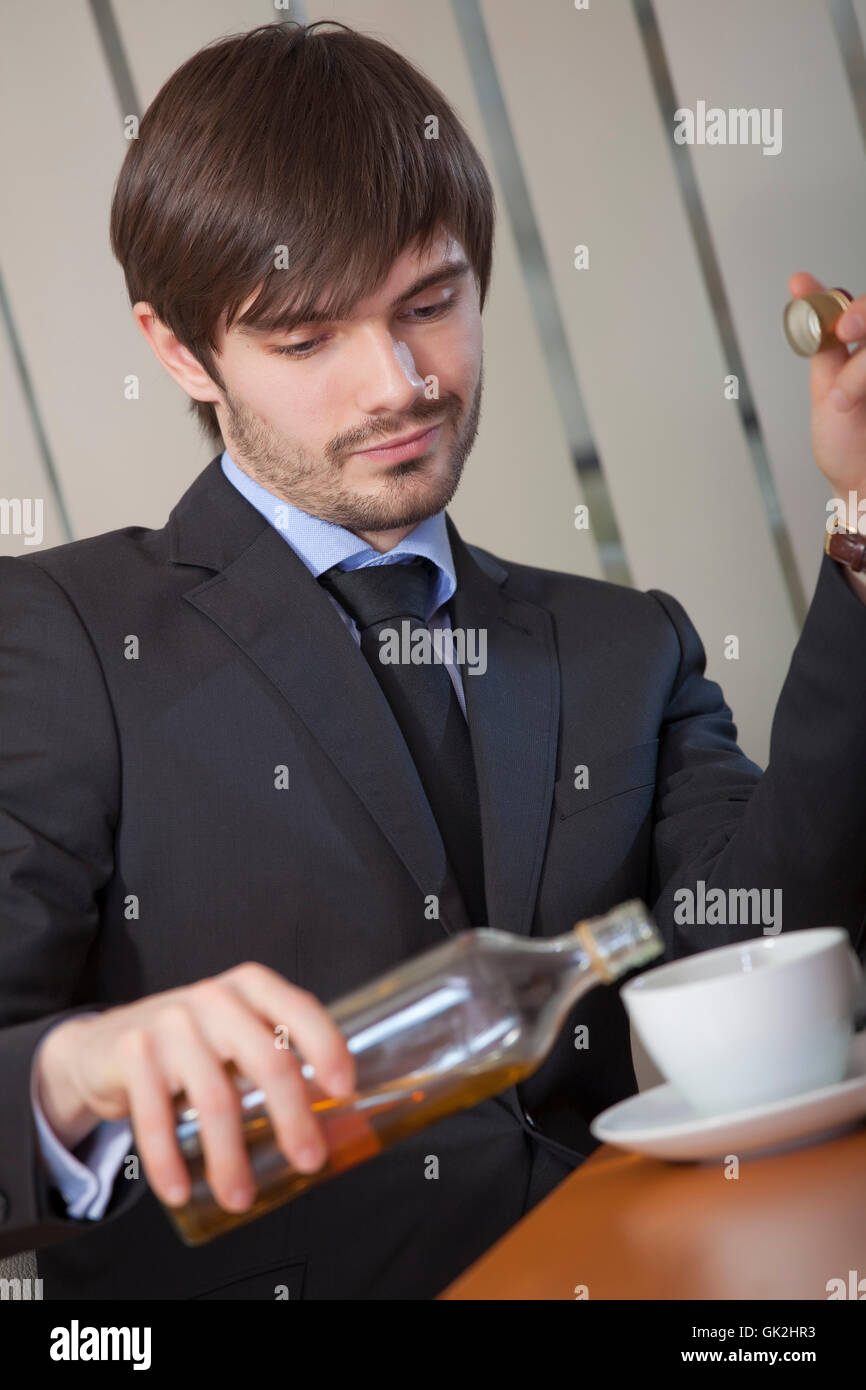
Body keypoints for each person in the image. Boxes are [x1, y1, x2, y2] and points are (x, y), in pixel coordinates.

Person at [1, 19, 865, 1302]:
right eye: (305, 341)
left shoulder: (624, 644)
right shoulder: (62, 635)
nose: (398, 384)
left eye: (430, 304)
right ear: (180, 350)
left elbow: (771, 940)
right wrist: (72, 1067)